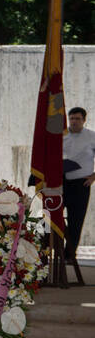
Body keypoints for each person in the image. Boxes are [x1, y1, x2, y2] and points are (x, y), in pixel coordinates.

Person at [62, 106, 95, 260]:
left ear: (84, 120)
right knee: (49, 218)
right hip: (60, 183)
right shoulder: (61, 135)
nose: (74, 121)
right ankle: (47, 251)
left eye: (77, 119)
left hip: (81, 185)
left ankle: (69, 255)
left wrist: (93, 176)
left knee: (76, 221)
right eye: (72, 118)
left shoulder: (91, 136)